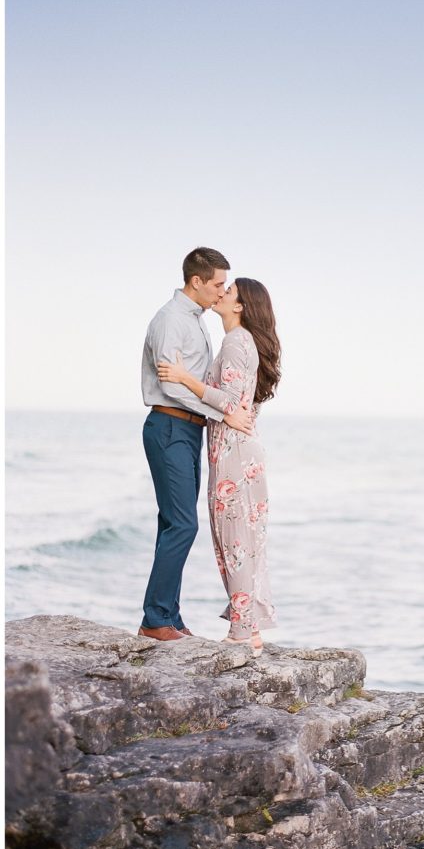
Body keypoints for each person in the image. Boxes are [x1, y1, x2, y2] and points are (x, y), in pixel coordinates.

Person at [157, 277, 280, 654]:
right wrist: (236, 417)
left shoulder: (235, 341)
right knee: (245, 540)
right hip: (242, 449)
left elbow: (228, 400)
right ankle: (251, 629)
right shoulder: (244, 343)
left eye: (229, 292)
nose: (222, 294)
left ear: (240, 306)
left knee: (235, 541)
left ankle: (241, 634)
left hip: (234, 454)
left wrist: (183, 378)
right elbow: (243, 404)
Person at [139, 248, 254, 642]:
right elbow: (171, 384)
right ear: (197, 282)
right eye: (218, 284)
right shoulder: (172, 320)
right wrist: (224, 414)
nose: (221, 291)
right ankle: (155, 619)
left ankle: (167, 616)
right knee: (182, 524)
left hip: (187, 430)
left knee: (174, 523)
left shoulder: (194, 320)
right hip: (170, 426)